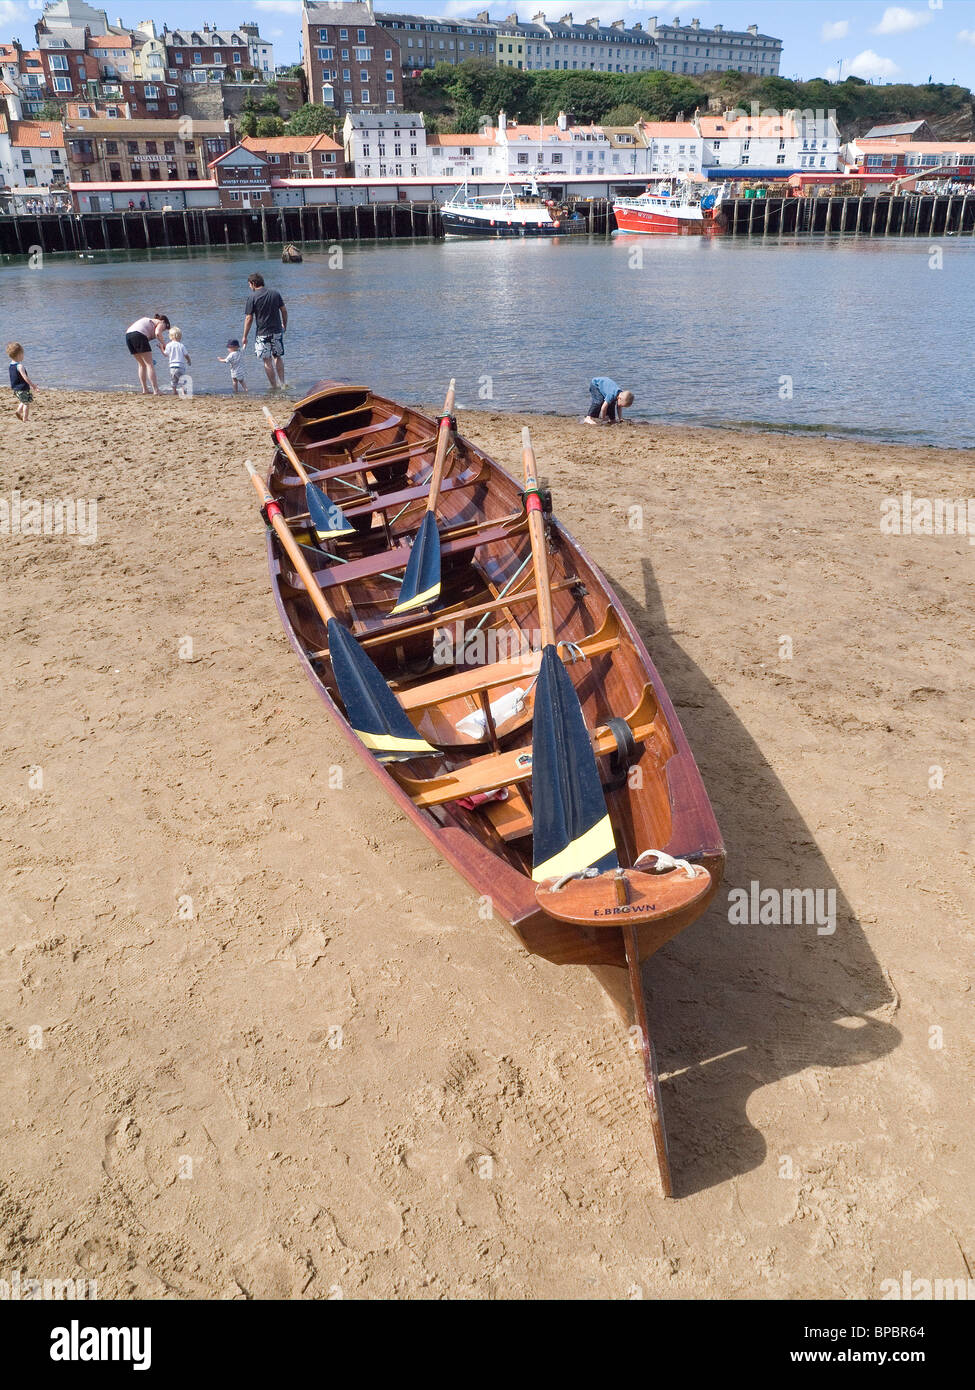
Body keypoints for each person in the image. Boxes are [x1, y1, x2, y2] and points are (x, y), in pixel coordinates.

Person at [241, 271, 287, 390]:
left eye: (250, 285)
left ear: (253, 283)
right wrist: (284, 325)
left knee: (267, 361)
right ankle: (282, 383)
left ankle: (274, 387)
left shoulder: (252, 297)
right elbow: (284, 310)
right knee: (277, 357)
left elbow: (249, 318)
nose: (250, 287)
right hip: (277, 331)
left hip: (262, 334)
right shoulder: (275, 293)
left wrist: (245, 336)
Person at [125, 313, 170, 395]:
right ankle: (156, 390)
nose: (163, 330)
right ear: (164, 321)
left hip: (128, 336)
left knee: (142, 364)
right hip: (138, 335)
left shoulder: (149, 321)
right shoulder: (161, 323)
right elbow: (157, 333)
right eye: (164, 329)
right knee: (150, 365)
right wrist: (165, 344)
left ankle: (145, 389)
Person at [7, 342, 36, 423]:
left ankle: (18, 411)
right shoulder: (20, 366)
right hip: (22, 388)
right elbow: (25, 377)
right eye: (23, 354)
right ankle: (25, 418)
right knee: (26, 403)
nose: (23, 356)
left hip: (15, 388)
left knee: (23, 400)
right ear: (19, 355)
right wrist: (32, 385)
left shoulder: (11, 365)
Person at [163, 326, 191, 396]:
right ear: (180, 336)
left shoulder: (168, 345)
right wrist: (189, 360)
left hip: (172, 366)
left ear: (170, 336)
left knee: (173, 380)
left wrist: (161, 348)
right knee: (182, 380)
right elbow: (186, 355)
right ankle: (184, 392)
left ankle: (174, 391)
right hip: (180, 366)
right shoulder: (181, 345)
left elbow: (165, 354)